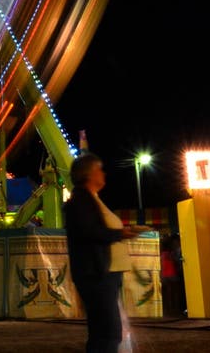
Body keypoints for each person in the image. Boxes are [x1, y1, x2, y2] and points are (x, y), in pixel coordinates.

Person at [64, 151, 149, 352]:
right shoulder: (80, 202)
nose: (103, 174)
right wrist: (121, 234)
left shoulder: (91, 200)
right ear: (88, 174)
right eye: (99, 169)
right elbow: (89, 231)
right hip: (97, 274)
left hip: (103, 273)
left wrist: (121, 233)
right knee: (108, 332)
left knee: (104, 330)